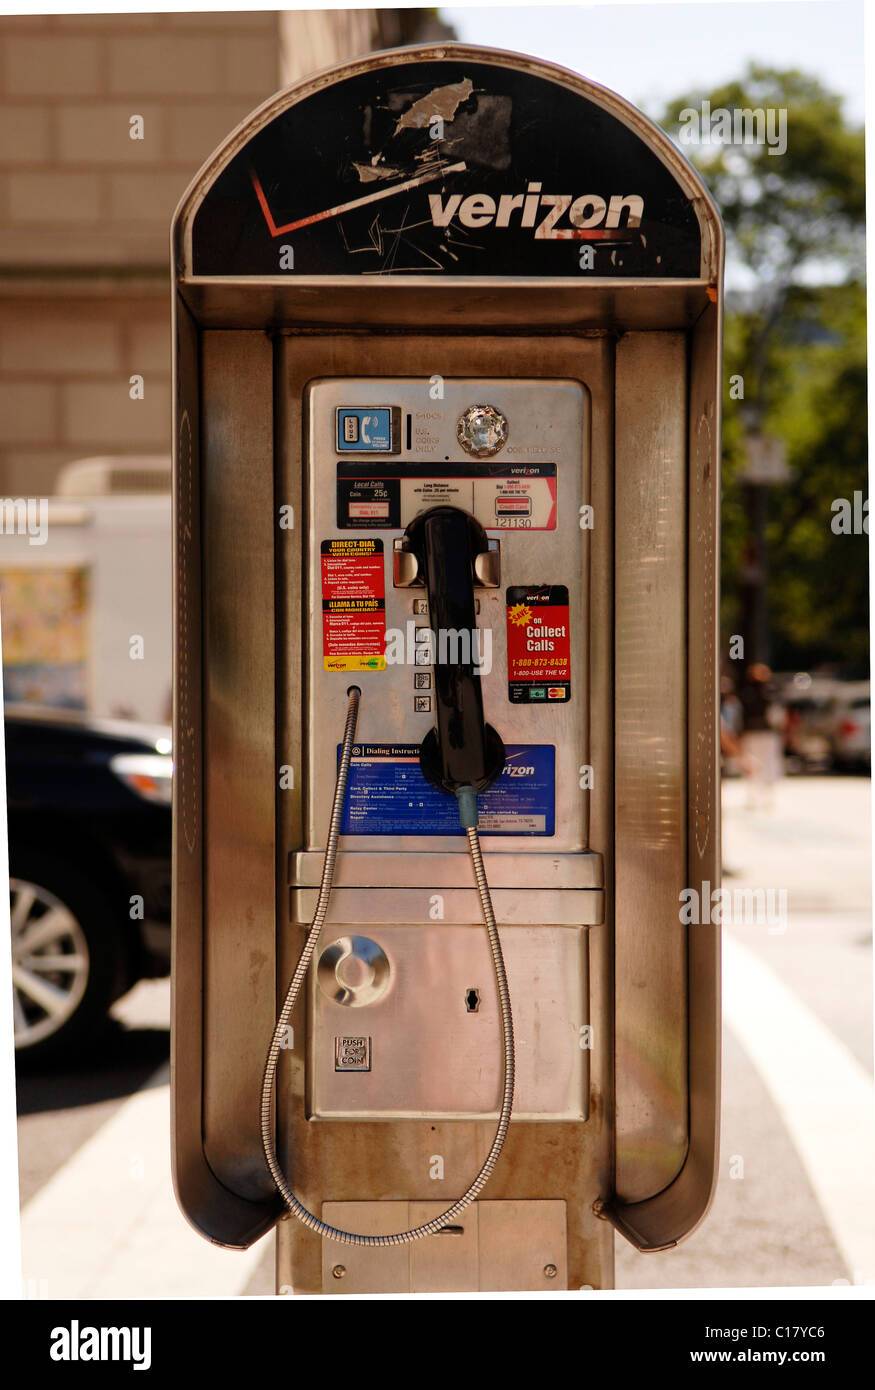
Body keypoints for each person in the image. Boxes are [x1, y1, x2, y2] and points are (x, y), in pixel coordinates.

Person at [738, 663, 785, 809]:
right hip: (753, 733)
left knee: (767, 765)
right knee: (753, 766)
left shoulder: (769, 692)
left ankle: (766, 797)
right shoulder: (750, 693)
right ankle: (753, 796)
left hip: (765, 734)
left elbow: (776, 715)